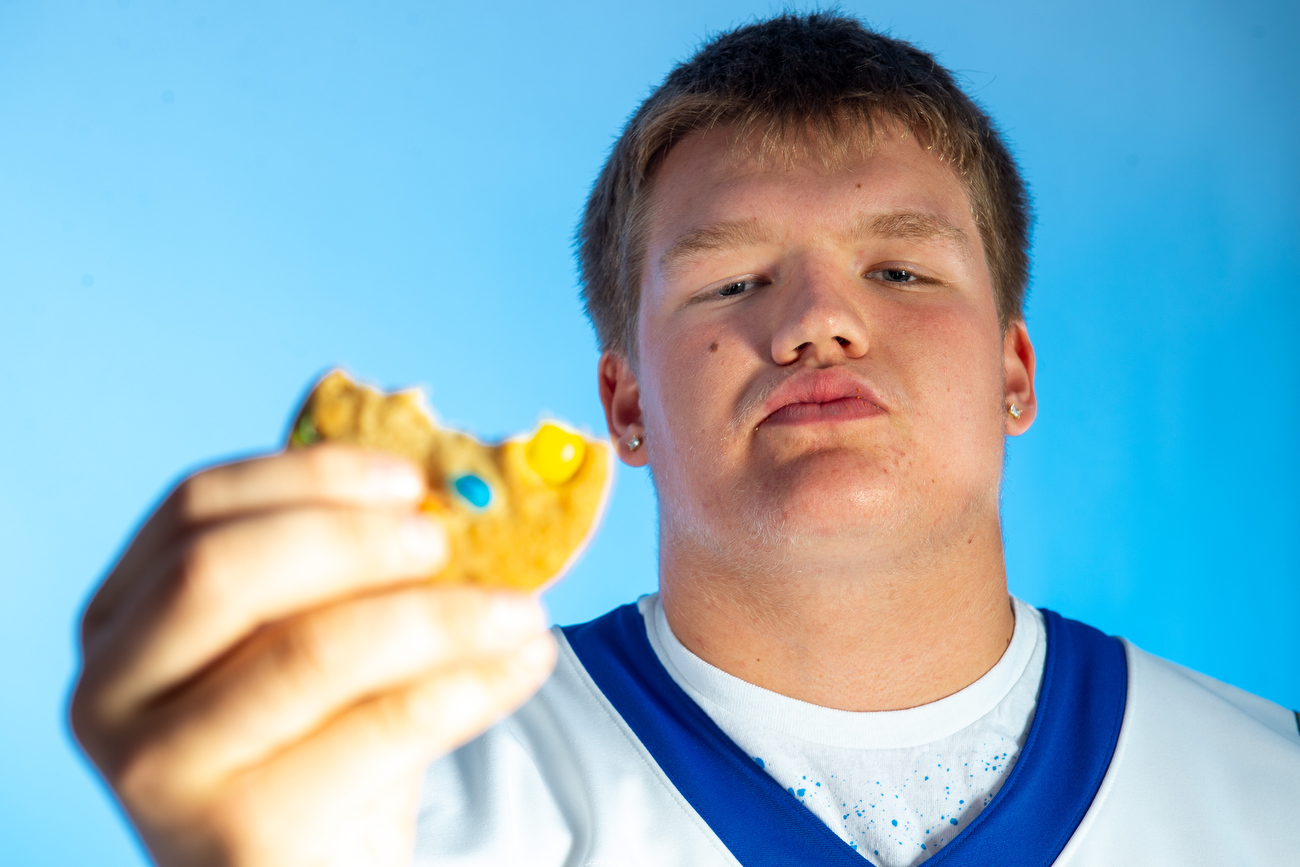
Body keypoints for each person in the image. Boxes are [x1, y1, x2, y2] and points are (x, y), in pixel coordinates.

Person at [71, 13, 1299, 867]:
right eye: (728, 285)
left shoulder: (1272, 793)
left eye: (899, 268)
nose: (818, 321)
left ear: (1013, 370)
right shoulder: (384, 786)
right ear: (625, 410)